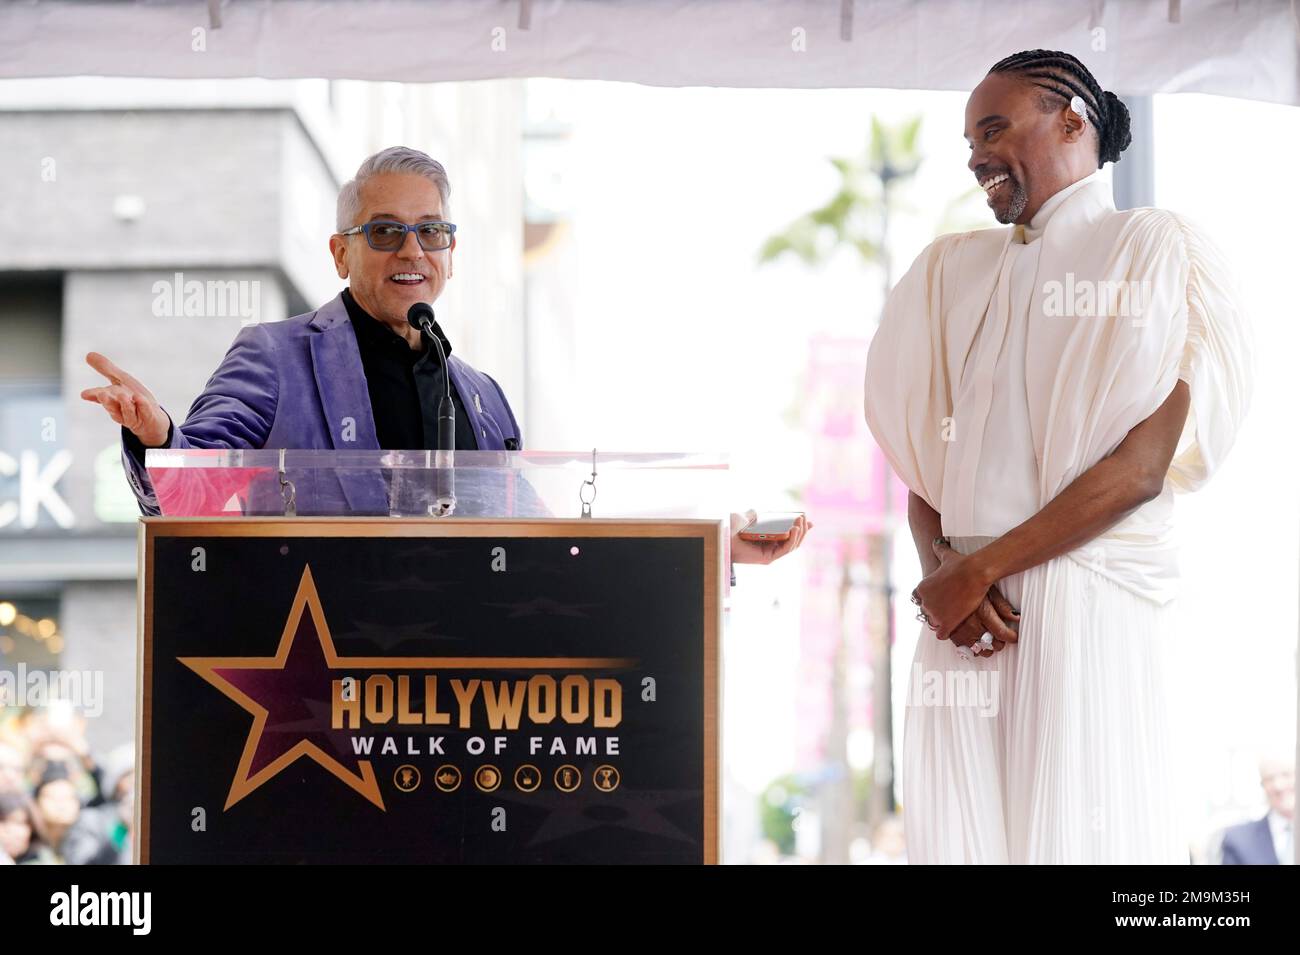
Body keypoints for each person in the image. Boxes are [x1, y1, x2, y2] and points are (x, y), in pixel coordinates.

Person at [864, 49, 1253, 863]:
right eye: (969, 139)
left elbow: (1139, 470)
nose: (975, 155)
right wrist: (944, 572)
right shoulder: (947, 271)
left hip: (1083, 602)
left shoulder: (1154, 249)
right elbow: (919, 455)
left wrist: (975, 571)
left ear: (1072, 119)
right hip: (961, 623)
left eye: (995, 127)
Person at [83, 146, 809, 561]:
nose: (412, 250)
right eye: (385, 231)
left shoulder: (482, 395)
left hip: (453, 691)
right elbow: (189, 495)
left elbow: (543, 544)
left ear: (451, 253)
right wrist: (158, 438)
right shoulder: (275, 355)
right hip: (317, 666)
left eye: (432, 231)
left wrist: (714, 553)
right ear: (341, 252)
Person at [1220, 754, 1294, 864]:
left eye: (1286, 775)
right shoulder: (1239, 841)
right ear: (1262, 785)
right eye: (1270, 779)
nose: (1278, 786)